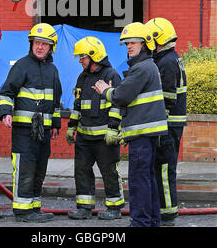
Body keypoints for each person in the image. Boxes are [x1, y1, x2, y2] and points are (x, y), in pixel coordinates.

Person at [93, 22, 168, 227]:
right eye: (127, 44)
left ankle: (141, 222)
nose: (129, 47)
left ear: (145, 44)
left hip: (142, 134)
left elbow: (122, 95)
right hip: (148, 133)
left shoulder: (142, 68)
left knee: (139, 180)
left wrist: (105, 91)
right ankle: (151, 221)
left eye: (133, 43)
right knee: (148, 178)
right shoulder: (146, 66)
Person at [0, 23, 62, 223]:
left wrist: (55, 125)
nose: (40, 47)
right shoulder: (22, 65)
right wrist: (5, 112)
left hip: (43, 131)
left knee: (39, 169)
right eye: (37, 43)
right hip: (24, 131)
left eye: (45, 44)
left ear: (52, 47)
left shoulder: (52, 70)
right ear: (31, 44)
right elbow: (6, 92)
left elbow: (55, 102)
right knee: (25, 169)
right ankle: (23, 210)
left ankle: (34, 207)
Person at [66, 36, 124, 220]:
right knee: (81, 170)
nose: (80, 60)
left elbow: (117, 105)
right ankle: (84, 208)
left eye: (82, 57)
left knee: (109, 171)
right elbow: (78, 105)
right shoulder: (82, 77)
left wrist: (113, 129)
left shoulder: (112, 76)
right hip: (84, 137)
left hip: (105, 137)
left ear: (94, 56)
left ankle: (114, 207)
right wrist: (71, 127)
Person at [146, 17, 187, 226]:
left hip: (168, 126)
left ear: (156, 39)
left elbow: (168, 98)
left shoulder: (167, 62)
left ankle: (168, 215)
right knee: (163, 169)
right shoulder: (171, 58)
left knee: (163, 171)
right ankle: (164, 211)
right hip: (171, 125)